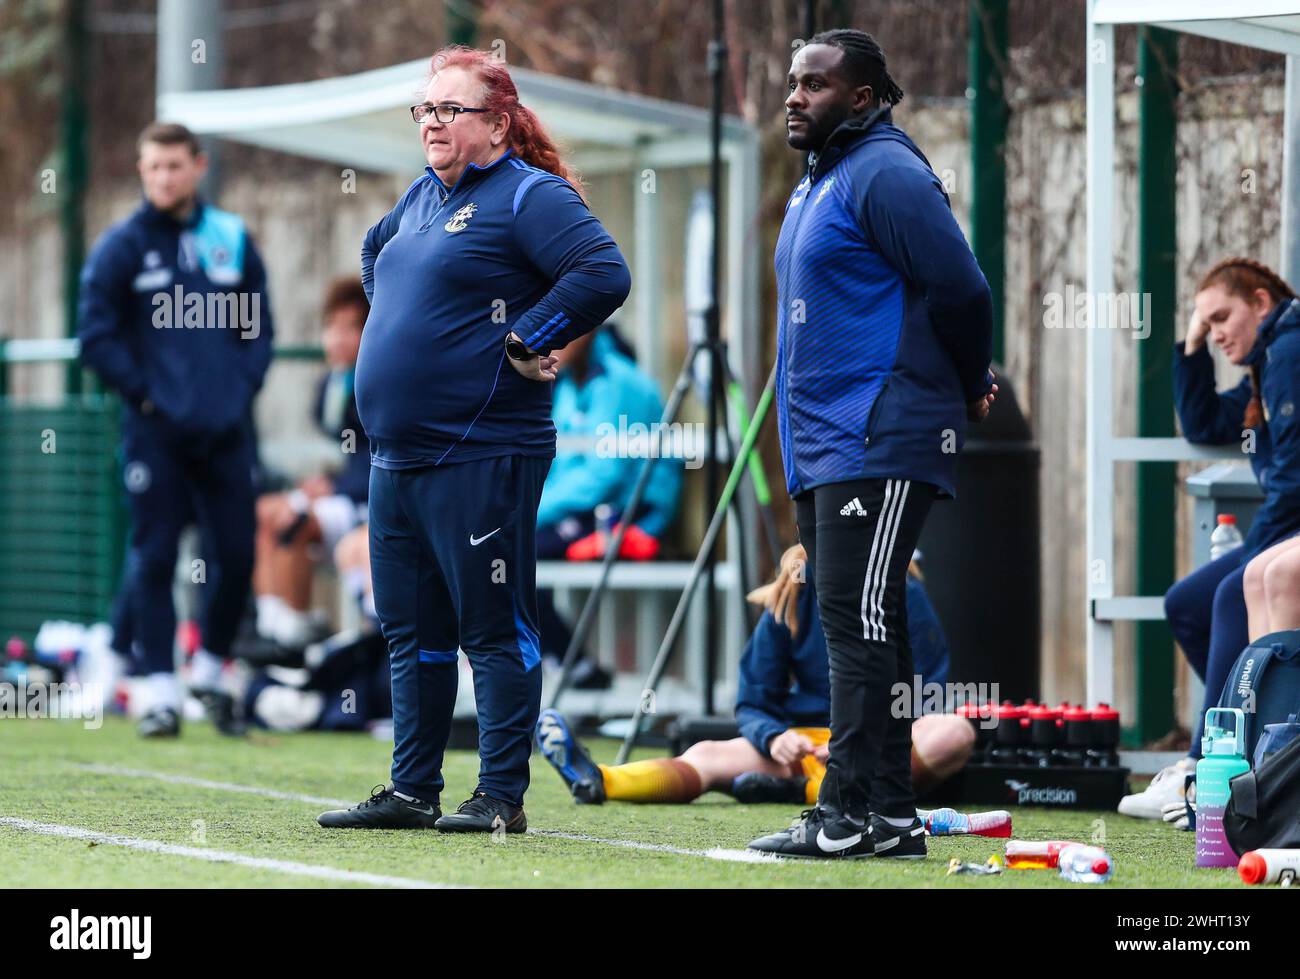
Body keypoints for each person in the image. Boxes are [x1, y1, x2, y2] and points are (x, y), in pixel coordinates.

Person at [317, 46, 630, 833]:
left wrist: (533, 335)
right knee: (410, 630)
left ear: (496, 124)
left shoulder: (528, 196)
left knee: (493, 626)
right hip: (397, 459)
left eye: (449, 109)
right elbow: (373, 255)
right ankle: (413, 788)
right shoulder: (421, 198)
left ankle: (500, 794)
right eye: (424, 109)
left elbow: (602, 271)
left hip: (483, 450)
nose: (432, 122)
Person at [747, 30, 994, 860]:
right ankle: (888, 814)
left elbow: (961, 284)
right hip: (823, 444)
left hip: (878, 434)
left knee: (858, 622)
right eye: (791, 82)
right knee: (863, 622)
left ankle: (844, 810)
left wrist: (970, 378)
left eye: (814, 86)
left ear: (861, 97)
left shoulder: (887, 170)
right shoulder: (822, 179)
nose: (793, 96)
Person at [535, 545, 1010, 842]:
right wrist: (773, 736)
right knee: (708, 753)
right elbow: (753, 698)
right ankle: (599, 778)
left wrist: (862, 737)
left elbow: (928, 691)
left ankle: (807, 791)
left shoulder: (901, 584)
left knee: (953, 732)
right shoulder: (796, 588)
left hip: (880, 748)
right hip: (804, 747)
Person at [78, 121, 273, 738]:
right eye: (154, 166)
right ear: (142, 172)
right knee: (155, 555)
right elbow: (96, 337)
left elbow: (256, 330)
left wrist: (238, 390)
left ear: (198, 166)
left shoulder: (231, 239)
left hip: (225, 432)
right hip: (153, 435)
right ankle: (158, 691)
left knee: (238, 555)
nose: (165, 177)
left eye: (176, 165)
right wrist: (146, 398)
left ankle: (212, 672)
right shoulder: (121, 248)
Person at [1122, 258, 1300, 819]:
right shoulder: (1266, 362)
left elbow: (1294, 479)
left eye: (1222, 317)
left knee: (1228, 594)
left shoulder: (1290, 353)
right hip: (1286, 529)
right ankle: (1243, 731)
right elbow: (1203, 425)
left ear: (1262, 304)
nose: (1218, 332)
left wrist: (1252, 557)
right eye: (1208, 324)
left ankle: (1208, 764)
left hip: (1291, 528)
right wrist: (1192, 345)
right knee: (1188, 604)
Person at [535, 325, 682, 684]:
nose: (545, 343)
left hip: (630, 514)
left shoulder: (621, 383)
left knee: (512, 553)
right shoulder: (567, 380)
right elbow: (558, 462)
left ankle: (573, 665)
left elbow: (604, 476)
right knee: (500, 550)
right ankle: (568, 664)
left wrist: (532, 511)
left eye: (557, 331)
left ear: (584, 328)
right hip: (583, 510)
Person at [252, 277, 370, 651]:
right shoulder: (332, 385)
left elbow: (386, 456)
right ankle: (273, 624)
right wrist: (326, 482)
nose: (338, 338)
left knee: (294, 521)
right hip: (346, 492)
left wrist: (335, 487)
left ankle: (296, 636)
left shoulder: (379, 380)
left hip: (369, 503)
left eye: (351, 328)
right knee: (265, 511)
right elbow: (352, 453)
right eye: (332, 327)